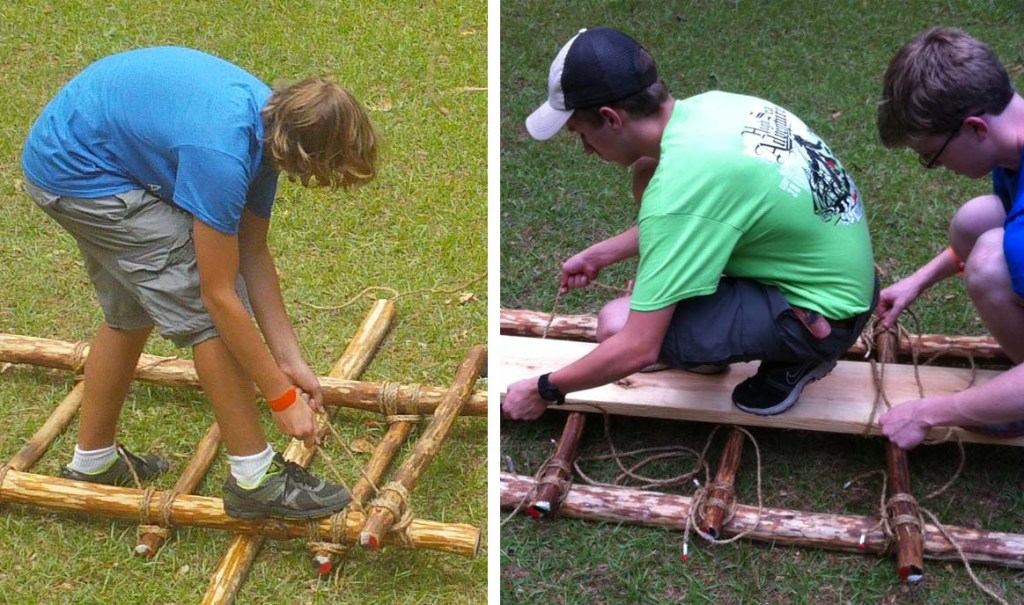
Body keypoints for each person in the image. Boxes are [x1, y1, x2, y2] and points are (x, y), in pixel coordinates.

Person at [21, 46, 378, 519]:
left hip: (76, 149)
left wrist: (292, 364)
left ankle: (93, 462)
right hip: (80, 170)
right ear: (305, 152)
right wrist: (281, 399)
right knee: (204, 312)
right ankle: (254, 479)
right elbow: (218, 297)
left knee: (131, 313)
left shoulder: (268, 125)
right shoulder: (222, 154)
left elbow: (252, 252)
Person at [501, 28, 876, 421]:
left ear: (611, 118)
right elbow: (706, 211)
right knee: (648, 168)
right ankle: (716, 344)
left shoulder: (683, 185)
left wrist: (542, 388)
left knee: (615, 324)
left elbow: (637, 347)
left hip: (824, 316)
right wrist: (605, 253)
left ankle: (796, 359)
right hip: (846, 279)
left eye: (581, 134)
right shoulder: (715, 107)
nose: (586, 149)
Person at [875, 27, 1024, 449]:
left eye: (930, 155)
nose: (933, 167)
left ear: (976, 128)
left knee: (991, 262)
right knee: (976, 219)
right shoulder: (1012, 137)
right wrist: (918, 280)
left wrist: (931, 412)